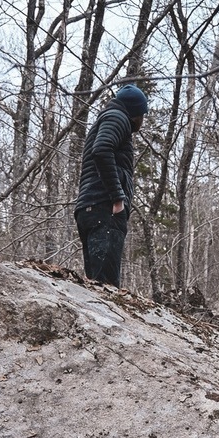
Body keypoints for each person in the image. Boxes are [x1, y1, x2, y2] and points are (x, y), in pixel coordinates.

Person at [74, 83, 149, 287]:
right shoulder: (118, 117)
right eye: (143, 113)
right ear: (136, 112)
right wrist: (118, 197)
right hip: (104, 209)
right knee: (106, 288)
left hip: (89, 209)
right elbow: (101, 150)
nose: (143, 119)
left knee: (95, 285)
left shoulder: (106, 119)